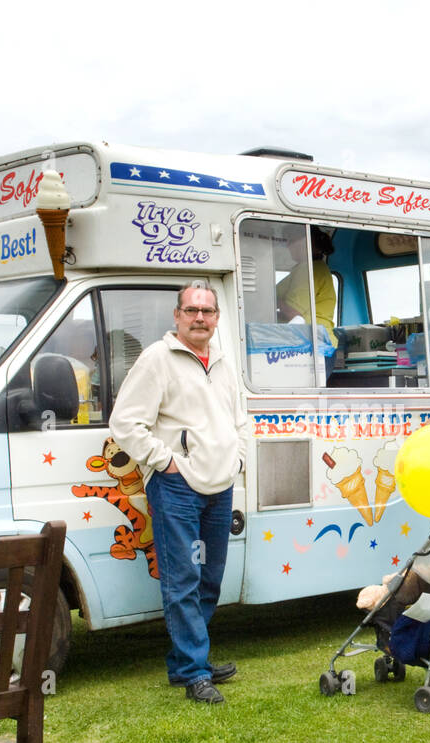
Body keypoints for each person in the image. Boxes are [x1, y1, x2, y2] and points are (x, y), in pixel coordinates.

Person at [109, 281, 246, 704]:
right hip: (177, 486)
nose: (200, 318)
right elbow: (125, 422)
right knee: (182, 577)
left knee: (209, 577)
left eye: (207, 311)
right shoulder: (157, 359)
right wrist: (164, 461)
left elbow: (239, 421)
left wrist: (237, 457)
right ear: (178, 316)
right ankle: (193, 671)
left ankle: (189, 661)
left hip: (220, 485)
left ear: (217, 318)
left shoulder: (223, 362)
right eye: (192, 310)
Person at [276, 227, 338, 348]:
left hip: (315, 346)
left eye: (291, 241)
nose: (288, 246)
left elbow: (295, 313)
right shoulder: (304, 269)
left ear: (305, 242)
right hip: (314, 342)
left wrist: (271, 299)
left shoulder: (311, 270)